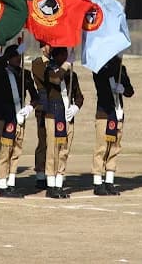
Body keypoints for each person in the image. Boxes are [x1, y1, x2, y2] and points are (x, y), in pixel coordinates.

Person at [0, 44, 38, 198]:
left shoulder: (25, 75)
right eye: (15, 56)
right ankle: (2, 185)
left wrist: (29, 108)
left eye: (19, 56)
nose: (18, 58)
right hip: (4, 117)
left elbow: (36, 97)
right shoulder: (0, 73)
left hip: (20, 117)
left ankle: (11, 183)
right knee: (5, 151)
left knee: (16, 151)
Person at [41, 47, 84, 198]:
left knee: (64, 151)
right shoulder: (49, 71)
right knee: (52, 151)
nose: (65, 57)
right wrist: (66, 65)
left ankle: (59, 184)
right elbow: (56, 79)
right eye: (62, 55)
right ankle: (51, 185)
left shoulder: (72, 76)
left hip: (68, 117)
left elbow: (79, 97)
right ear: (56, 56)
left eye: (66, 55)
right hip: (53, 116)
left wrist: (75, 107)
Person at [92, 55, 134, 196]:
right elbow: (100, 86)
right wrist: (113, 70)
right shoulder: (98, 68)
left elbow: (130, 91)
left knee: (114, 148)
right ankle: (98, 182)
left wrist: (122, 88)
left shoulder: (121, 69)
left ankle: (109, 181)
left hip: (118, 113)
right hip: (104, 113)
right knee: (102, 148)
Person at [30, 41, 52, 189]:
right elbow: (46, 78)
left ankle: (51, 172)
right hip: (43, 106)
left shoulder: (56, 63)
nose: (49, 49)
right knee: (43, 141)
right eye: (47, 46)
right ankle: (40, 173)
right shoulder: (38, 63)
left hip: (56, 106)